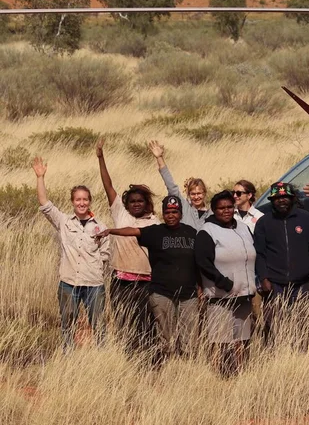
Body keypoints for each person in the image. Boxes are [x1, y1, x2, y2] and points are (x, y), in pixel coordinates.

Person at [97, 195, 199, 365]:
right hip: (162, 293)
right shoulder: (156, 231)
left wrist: (201, 286)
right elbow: (133, 231)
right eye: (167, 212)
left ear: (180, 213)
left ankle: (186, 369)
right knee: (166, 336)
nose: (171, 215)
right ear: (163, 214)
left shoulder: (191, 233)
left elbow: (199, 261)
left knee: (190, 337)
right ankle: (167, 367)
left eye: (174, 212)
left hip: (188, 294)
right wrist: (110, 231)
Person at [33, 156, 110, 350]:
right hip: (69, 283)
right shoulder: (64, 222)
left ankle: (102, 359)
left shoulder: (101, 227)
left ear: (90, 201)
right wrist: (40, 177)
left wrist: (98, 272)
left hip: (93, 284)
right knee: (68, 325)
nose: (81, 203)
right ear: (72, 201)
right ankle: (68, 356)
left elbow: (105, 255)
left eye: (85, 199)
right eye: (78, 199)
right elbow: (44, 204)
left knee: (99, 326)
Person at [96, 138, 159, 354]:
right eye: (132, 201)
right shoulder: (120, 214)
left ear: (147, 203)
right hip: (121, 279)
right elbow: (108, 186)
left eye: (140, 201)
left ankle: (148, 360)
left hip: (145, 281)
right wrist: (100, 157)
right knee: (124, 320)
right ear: (126, 204)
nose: (136, 204)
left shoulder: (155, 222)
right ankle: (128, 358)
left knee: (146, 324)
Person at [194, 190, 257, 375]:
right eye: (221, 208)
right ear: (214, 210)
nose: (226, 211)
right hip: (220, 296)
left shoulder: (243, 228)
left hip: (244, 294)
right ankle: (222, 378)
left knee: (243, 339)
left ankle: (242, 375)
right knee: (221, 340)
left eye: (230, 207)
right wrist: (223, 282)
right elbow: (202, 262)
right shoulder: (207, 231)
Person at [253, 182, 309, 343]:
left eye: (285, 197)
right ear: (272, 200)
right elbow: (259, 253)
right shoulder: (264, 222)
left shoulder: (306, 218)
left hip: (302, 282)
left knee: (302, 325)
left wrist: (308, 268)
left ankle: (300, 358)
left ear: (292, 198)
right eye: (277, 198)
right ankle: (275, 358)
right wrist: (264, 278)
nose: (281, 200)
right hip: (274, 283)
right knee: (275, 325)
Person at [148, 140, 209, 232]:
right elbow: (171, 186)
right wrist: (159, 158)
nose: (196, 197)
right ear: (188, 194)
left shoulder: (211, 213)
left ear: (204, 193)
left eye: (199, 193)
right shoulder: (184, 207)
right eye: (193, 194)